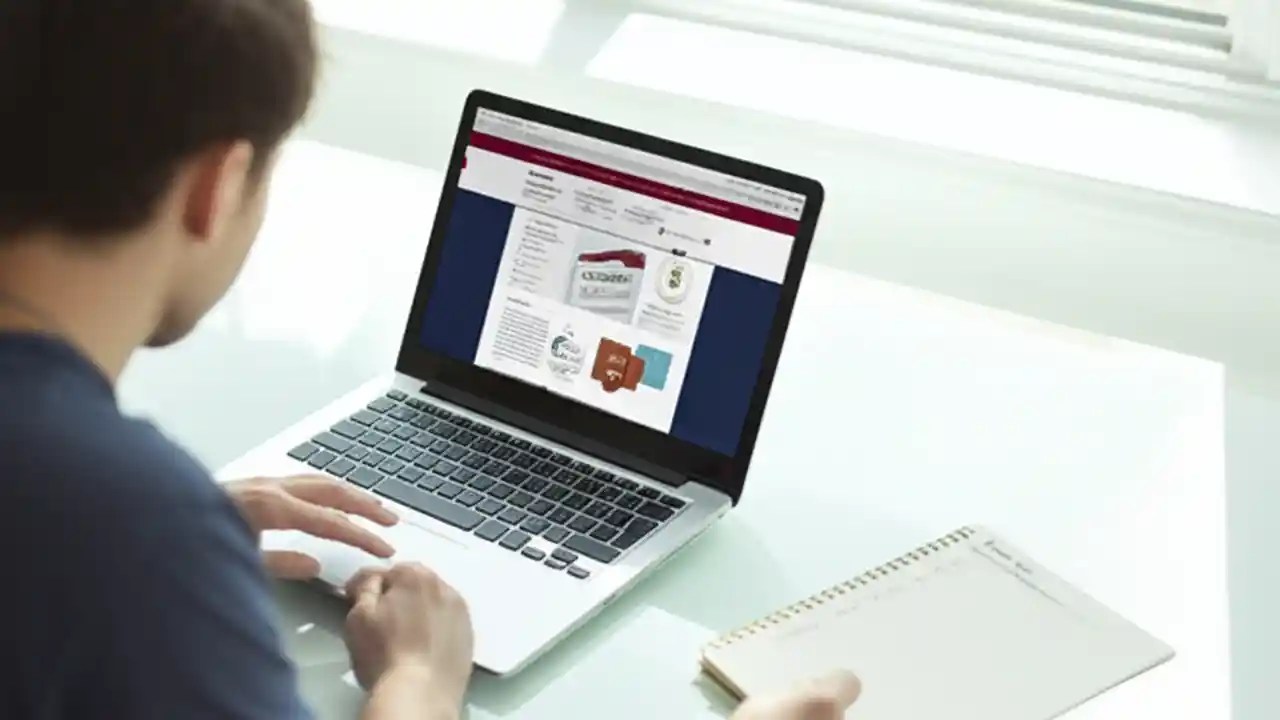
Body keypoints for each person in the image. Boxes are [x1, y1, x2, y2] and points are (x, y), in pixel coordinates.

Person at [0, 2, 860, 719]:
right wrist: (419, 680)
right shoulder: (123, 535)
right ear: (217, 185)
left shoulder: (104, 517)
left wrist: (170, 524)